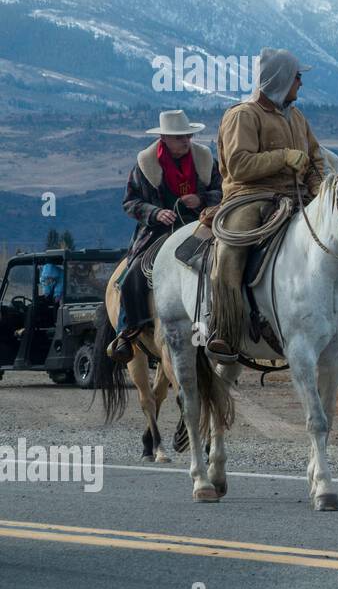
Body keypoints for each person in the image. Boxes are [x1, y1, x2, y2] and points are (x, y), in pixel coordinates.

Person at [206, 49, 322, 362]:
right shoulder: (243, 115)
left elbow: (315, 158)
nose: (301, 83)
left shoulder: (297, 117)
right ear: (282, 79)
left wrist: (320, 188)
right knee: (231, 250)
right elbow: (238, 164)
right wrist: (282, 157)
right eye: (298, 76)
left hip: (297, 195)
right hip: (250, 196)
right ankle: (225, 331)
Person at [109, 110, 222, 362]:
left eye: (188, 135)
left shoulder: (204, 160)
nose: (186, 140)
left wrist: (202, 199)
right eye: (179, 137)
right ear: (164, 138)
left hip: (200, 225)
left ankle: (228, 327)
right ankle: (128, 329)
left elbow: (223, 190)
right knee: (133, 274)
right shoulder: (145, 165)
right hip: (158, 231)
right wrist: (155, 213)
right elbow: (130, 202)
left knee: (229, 261)